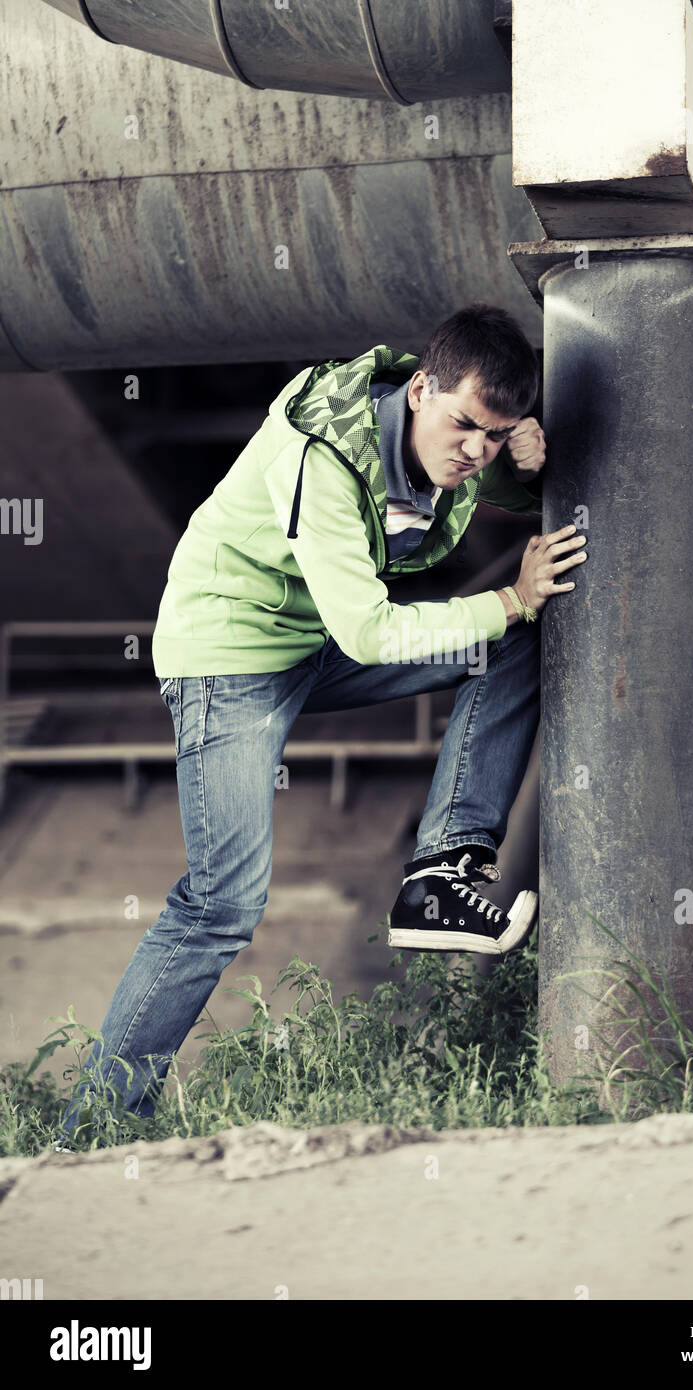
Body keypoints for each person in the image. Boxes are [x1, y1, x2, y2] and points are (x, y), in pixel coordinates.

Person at [56, 303, 587, 1142]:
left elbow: (486, 486)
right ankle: (94, 1125)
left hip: (311, 640)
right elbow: (371, 633)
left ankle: (439, 875)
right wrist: (510, 595)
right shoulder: (324, 455)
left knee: (510, 641)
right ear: (421, 390)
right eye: (464, 426)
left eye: (494, 434)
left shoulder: (453, 444)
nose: (473, 451)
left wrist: (524, 467)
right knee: (221, 903)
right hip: (226, 655)